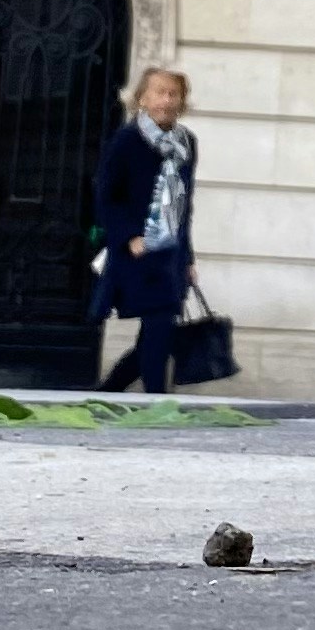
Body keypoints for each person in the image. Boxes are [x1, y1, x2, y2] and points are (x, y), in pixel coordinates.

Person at [94, 67, 197, 394]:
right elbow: (106, 197)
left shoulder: (186, 143)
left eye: (173, 94)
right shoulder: (126, 140)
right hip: (138, 253)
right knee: (158, 328)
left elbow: (184, 205)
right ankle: (157, 400)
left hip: (170, 254)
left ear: (181, 101)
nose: (166, 100)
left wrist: (189, 257)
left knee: (157, 335)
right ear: (142, 98)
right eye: (159, 92)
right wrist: (129, 237)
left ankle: (107, 393)